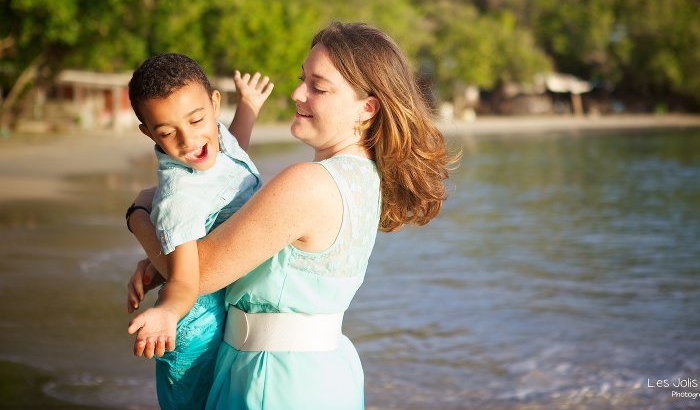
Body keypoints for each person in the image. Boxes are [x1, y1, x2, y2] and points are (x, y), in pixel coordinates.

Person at [127, 22, 458, 409]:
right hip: (319, 372)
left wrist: (139, 214)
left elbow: (198, 274)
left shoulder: (308, 183)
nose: (297, 93)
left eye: (318, 87)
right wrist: (157, 260)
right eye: (303, 79)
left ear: (367, 107)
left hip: (274, 379)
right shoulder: (365, 177)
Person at [125, 53, 273, 410]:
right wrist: (169, 313)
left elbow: (230, 158)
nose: (189, 139)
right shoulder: (179, 197)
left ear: (214, 104)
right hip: (194, 326)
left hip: (223, 306)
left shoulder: (216, 139)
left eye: (196, 119)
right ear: (148, 132)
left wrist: (249, 106)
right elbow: (186, 283)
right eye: (167, 132)